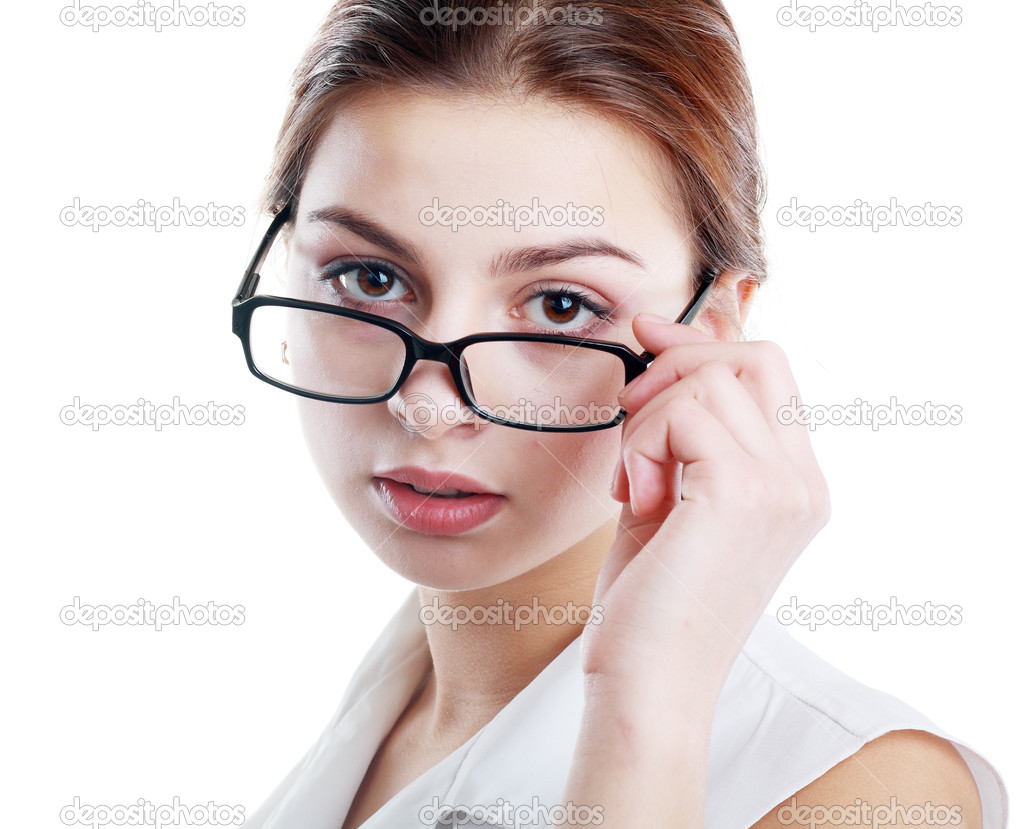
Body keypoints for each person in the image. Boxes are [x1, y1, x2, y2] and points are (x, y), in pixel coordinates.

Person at [231, 0, 1008, 826]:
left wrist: (646, 709)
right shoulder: (392, 700)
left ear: (708, 330)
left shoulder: (871, 796)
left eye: (562, 305)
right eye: (369, 277)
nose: (427, 404)